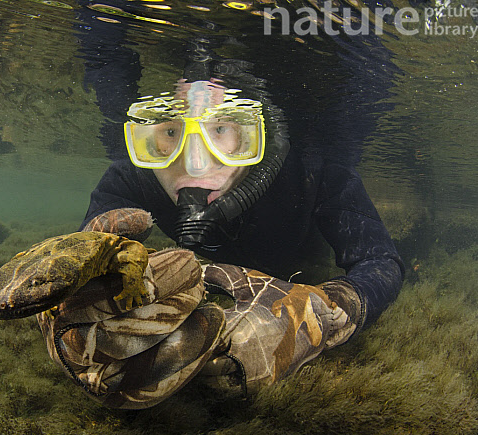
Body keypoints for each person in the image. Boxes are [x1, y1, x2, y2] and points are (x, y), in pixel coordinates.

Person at [32, 3, 403, 409]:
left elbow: (380, 262)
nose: (194, 163)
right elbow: (85, 258)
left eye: (221, 130)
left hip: (300, 256)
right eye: (170, 132)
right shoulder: (130, 178)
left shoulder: (315, 174)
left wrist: (323, 311)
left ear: (259, 135)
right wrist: (71, 306)